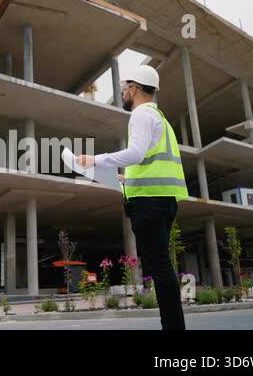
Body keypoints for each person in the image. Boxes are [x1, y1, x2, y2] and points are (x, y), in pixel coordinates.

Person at [77, 65, 189, 331]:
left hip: (149, 202)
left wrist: (96, 159)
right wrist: (127, 179)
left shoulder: (140, 114)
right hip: (164, 199)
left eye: (125, 88)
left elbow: (136, 153)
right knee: (162, 264)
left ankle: (173, 328)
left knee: (160, 266)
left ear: (135, 88)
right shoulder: (159, 117)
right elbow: (149, 160)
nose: (124, 93)